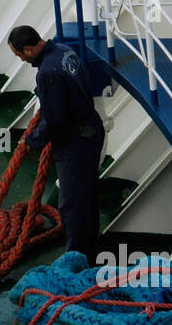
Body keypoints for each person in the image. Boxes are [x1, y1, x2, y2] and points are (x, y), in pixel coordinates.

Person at [8, 25, 105, 257]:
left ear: (29, 49)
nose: (20, 59)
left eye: (19, 54)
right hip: (92, 130)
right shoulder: (63, 51)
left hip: (75, 142)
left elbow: (54, 121)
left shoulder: (47, 73)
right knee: (88, 196)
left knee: (71, 204)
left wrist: (30, 141)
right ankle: (90, 250)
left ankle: (76, 257)